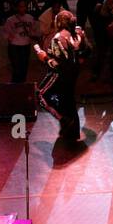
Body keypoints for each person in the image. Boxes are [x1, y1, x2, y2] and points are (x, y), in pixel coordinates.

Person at [35, 9, 89, 142]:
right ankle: (72, 132)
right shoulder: (77, 33)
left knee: (41, 94)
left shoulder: (58, 38)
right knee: (68, 100)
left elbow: (58, 65)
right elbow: (88, 50)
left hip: (60, 74)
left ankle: (64, 119)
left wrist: (44, 57)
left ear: (58, 22)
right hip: (73, 74)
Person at [3, 0, 40, 84]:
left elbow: (33, 31)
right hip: (15, 47)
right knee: (16, 70)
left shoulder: (30, 18)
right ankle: (14, 88)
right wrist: (12, 39)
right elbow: (6, 34)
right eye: (20, 6)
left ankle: (22, 88)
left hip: (25, 46)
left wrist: (33, 36)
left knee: (24, 69)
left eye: (24, 6)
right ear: (16, 7)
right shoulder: (10, 20)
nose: (22, 9)